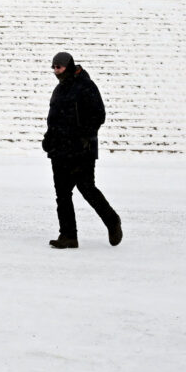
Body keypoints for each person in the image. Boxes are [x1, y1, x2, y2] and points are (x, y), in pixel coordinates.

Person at [42, 51, 121, 249]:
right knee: (62, 194)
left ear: (68, 66)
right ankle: (68, 236)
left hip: (81, 150)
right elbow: (54, 119)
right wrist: (48, 138)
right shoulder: (59, 89)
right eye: (53, 67)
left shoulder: (86, 86)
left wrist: (83, 137)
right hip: (59, 150)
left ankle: (112, 220)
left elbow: (98, 115)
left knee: (87, 188)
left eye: (59, 67)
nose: (56, 71)